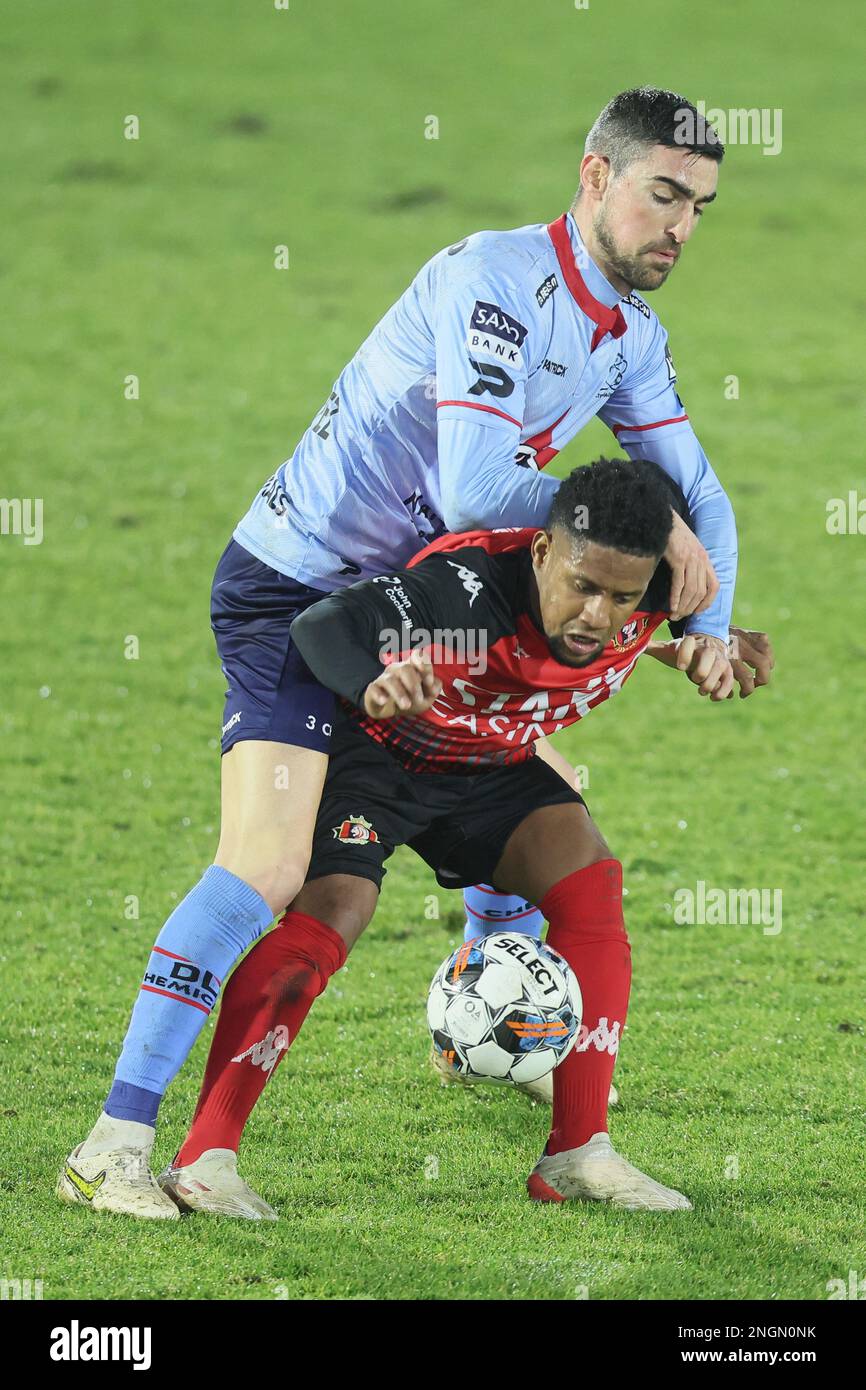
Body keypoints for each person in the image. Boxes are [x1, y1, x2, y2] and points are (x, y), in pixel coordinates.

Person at [59, 88, 740, 1217]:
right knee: (273, 867)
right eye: (660, 193)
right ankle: (114, 1141)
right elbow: (478, 489)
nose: (678, 225)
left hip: (429, 601)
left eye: (699, 206)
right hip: (303, 591)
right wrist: (645, 532)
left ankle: (523, 1056)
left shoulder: (627, 334)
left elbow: (701, 491)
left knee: (544, 793)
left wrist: (703, 623)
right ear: (592, 178)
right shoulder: (492, 283)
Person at [60, 460, 770, 1217]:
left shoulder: (661, 593)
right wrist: (373, 679)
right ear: (540, 554)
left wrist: (717, 647)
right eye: (583, 588)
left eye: (621, 598)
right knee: (335, 912)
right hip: (381, 759)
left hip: (491, 765)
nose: (597, 615)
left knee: (590, 880)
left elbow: (671, 627)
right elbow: (322, 626)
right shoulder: (463, 592)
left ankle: (579, 1154)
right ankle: (206, 1156)